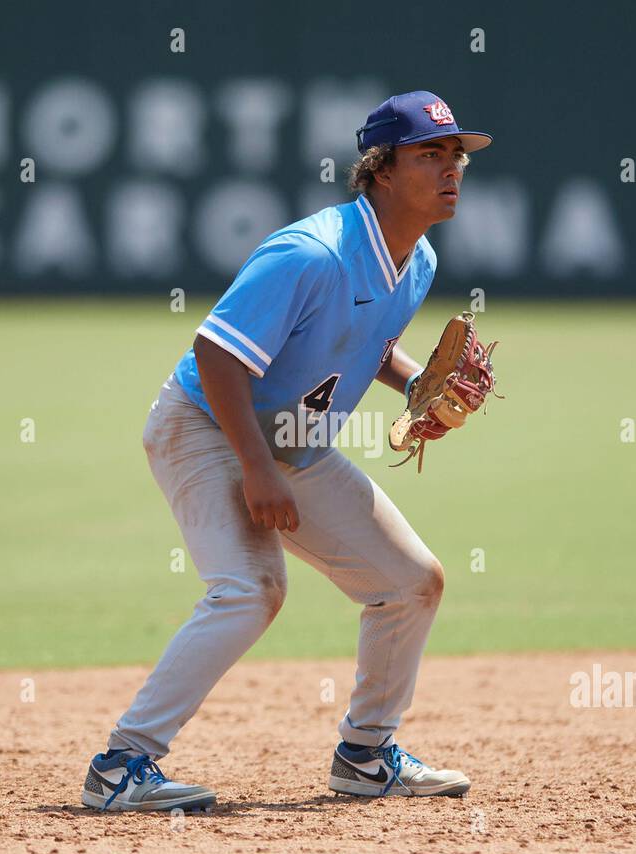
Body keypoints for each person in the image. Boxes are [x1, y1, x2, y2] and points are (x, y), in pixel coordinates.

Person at [82, 92, 493, 812]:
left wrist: (414, 384)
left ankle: (365, 756)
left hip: (290, 443)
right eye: (431, 154)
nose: (451, 168)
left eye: (455, 155)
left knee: (412, 581)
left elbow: (371, 341)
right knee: (250, 590)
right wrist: (257, 467)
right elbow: (217, 355)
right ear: (382, 170)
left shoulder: (416, 259)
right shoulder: (312, 253)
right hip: (207, 426)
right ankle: (121, 766)